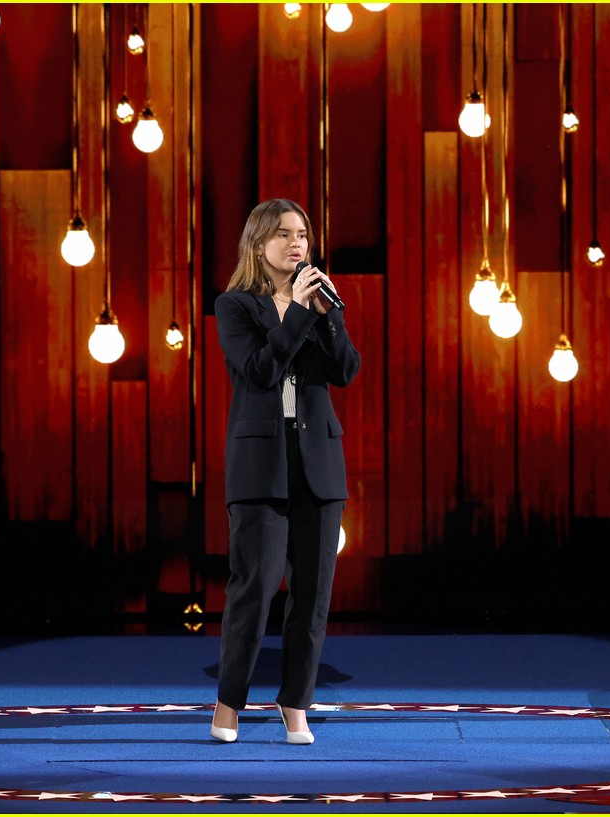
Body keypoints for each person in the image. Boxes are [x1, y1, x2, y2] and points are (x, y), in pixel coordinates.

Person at [209, 198, 360, 744]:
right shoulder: (235, 306)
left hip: (318, 464)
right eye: (284, 234)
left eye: (302, 234)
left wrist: (328, 315)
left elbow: (344, 371)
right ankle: (229, 703)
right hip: (260, 468)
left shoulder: (320, 302)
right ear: (258, 244)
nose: (297, 243)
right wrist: (295, 313)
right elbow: (259, 371)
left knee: (313, 594)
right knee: (254, 587)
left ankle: (295, 703)